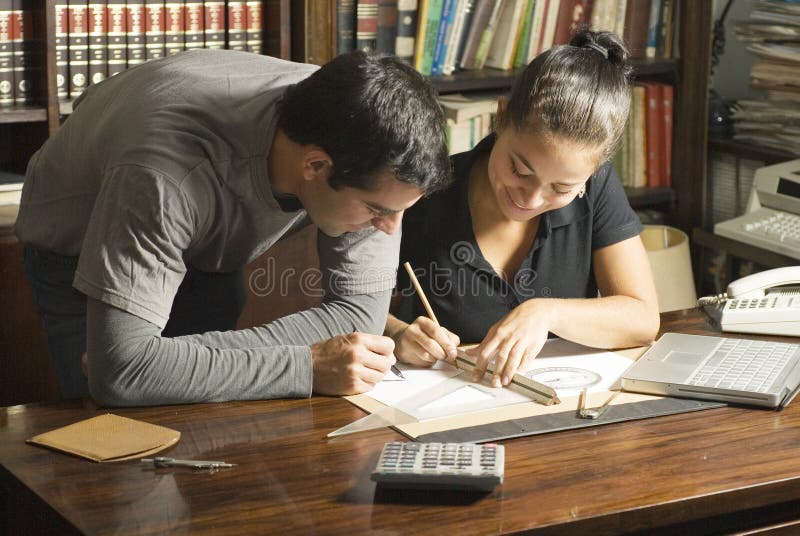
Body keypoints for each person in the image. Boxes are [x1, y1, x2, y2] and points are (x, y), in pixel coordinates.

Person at [15, 49, 451, 405]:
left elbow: (360, 318)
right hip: (79, 241)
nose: (389, 230)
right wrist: (303, 365)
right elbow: (121, 373)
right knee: (112, 443)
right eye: (376, 210)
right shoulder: (162, 177)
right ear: (316, 166)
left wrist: (164, 366)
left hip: (207, 245)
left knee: (203, 414)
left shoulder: (361, 130)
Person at [386, 30, 660, 388]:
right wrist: (398, 334)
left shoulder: (597, 185)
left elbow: (642, 318)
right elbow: (348, 304)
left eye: (561, 189)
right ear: (500, 116)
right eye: (519, 170)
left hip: (566, 411)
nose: (530, 200)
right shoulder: (427, 191)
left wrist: (545, 312)